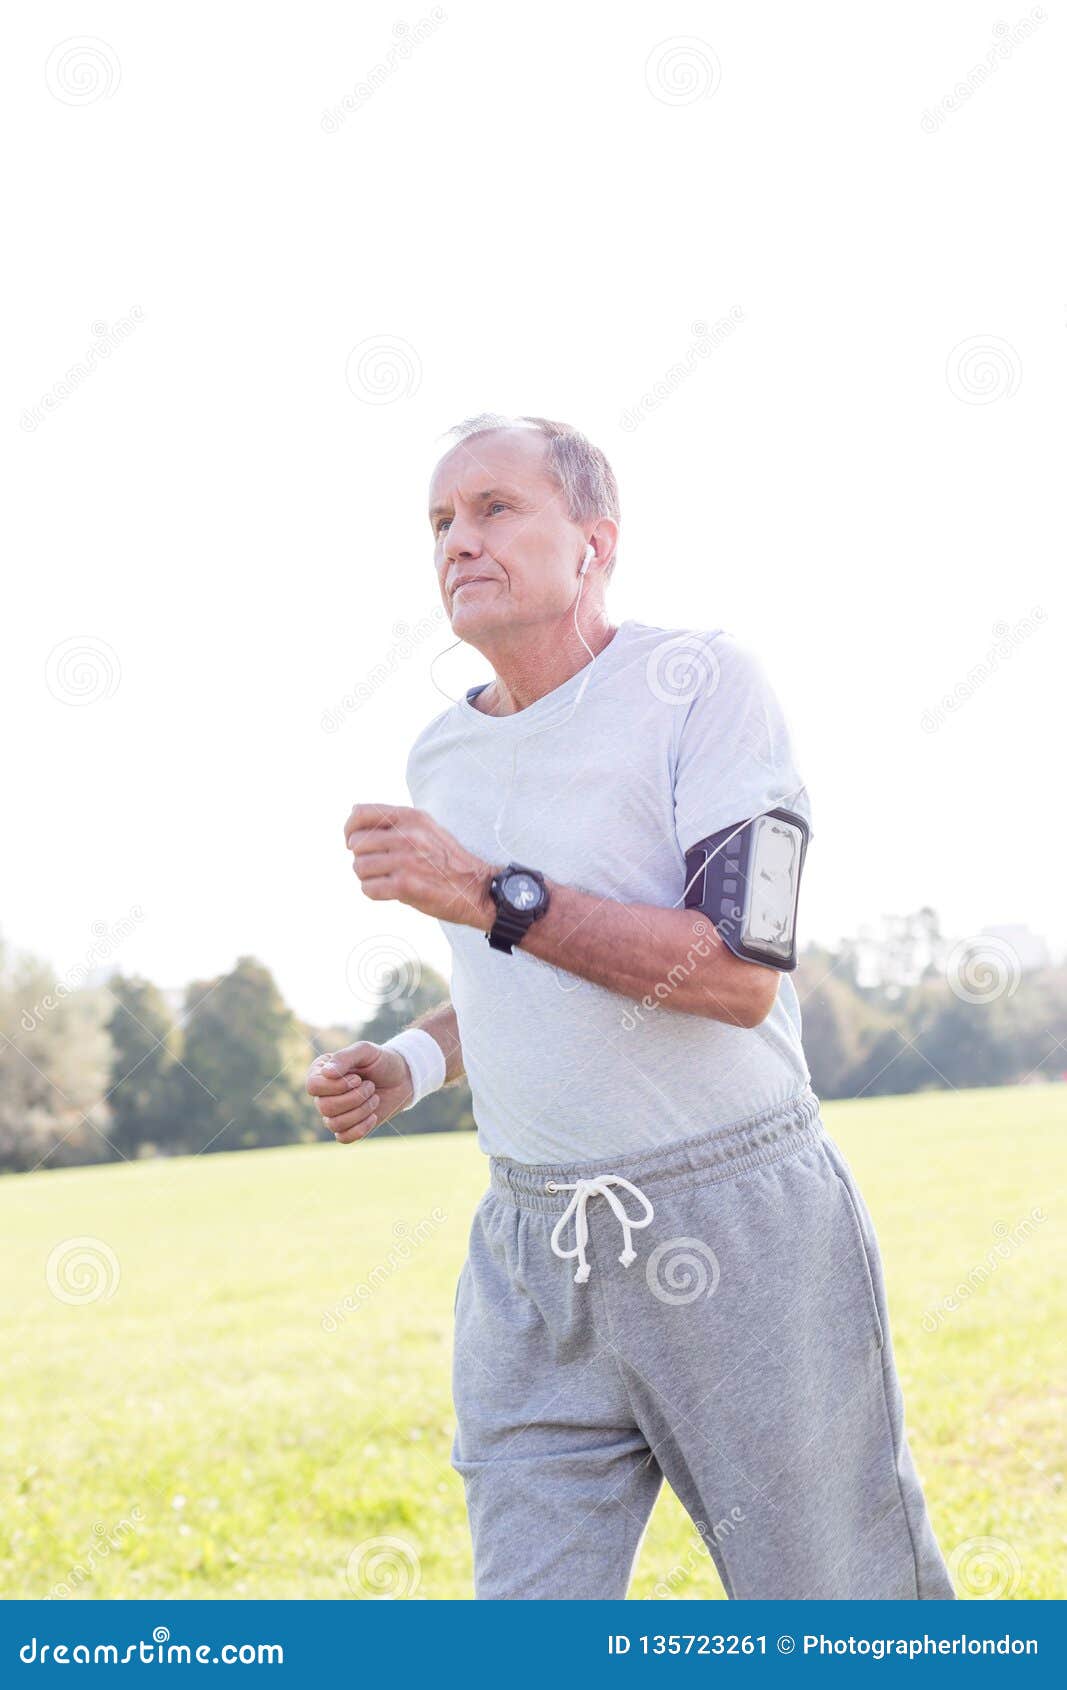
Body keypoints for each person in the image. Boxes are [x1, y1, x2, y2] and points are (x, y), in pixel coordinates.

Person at [306, 413, 955, 1601]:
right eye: (440, 521)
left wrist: (482, 889)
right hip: (533, 1252)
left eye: (496, 507)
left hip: (734, 1226)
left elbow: (730, 968)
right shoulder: (439, 755)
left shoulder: (700, 685)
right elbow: (516, 969)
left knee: (836, 1610)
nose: (459, 540)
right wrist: (411, 1059)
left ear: (593, 540)